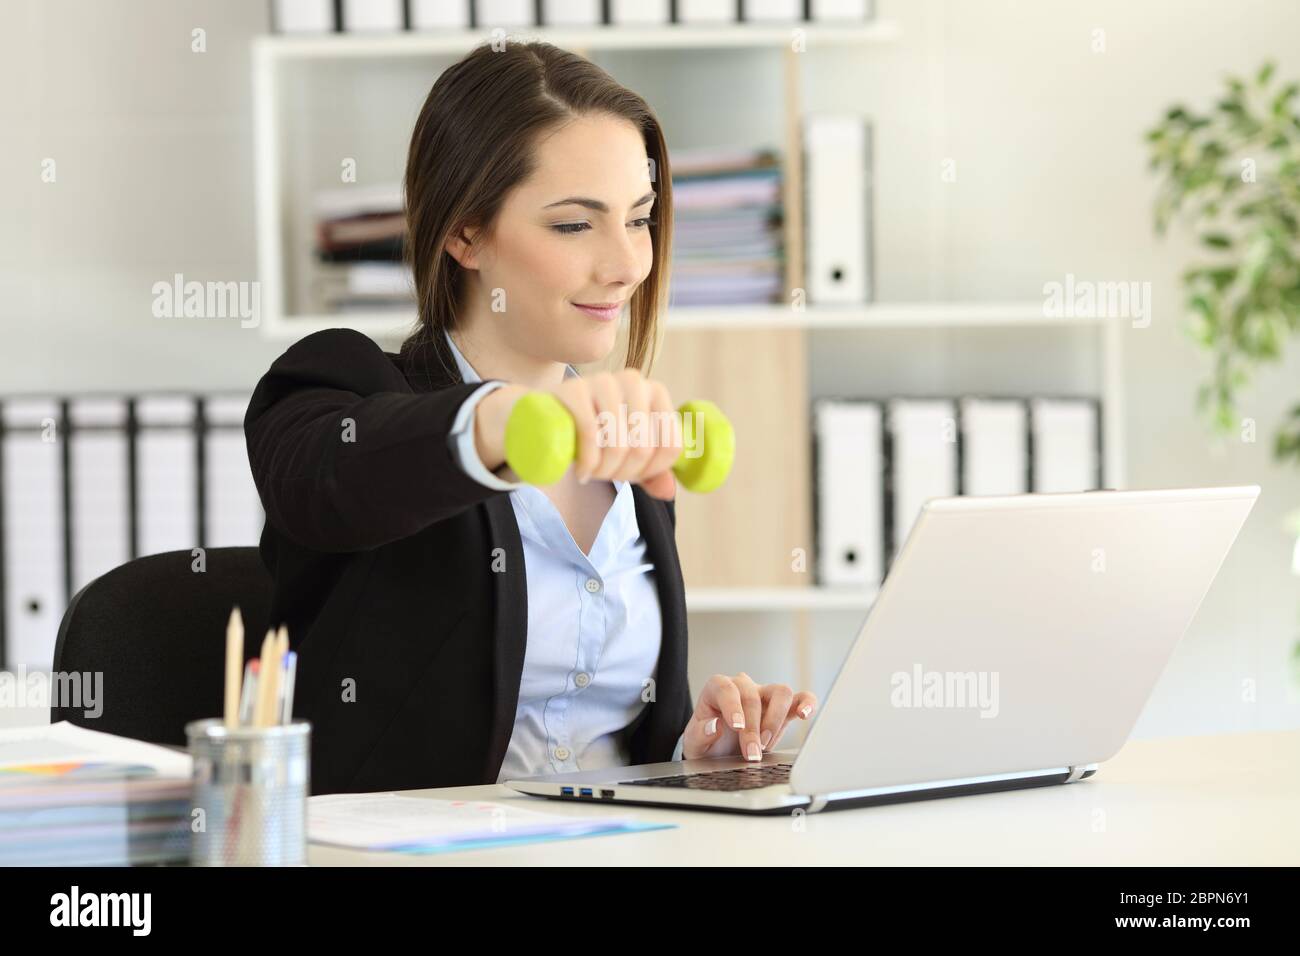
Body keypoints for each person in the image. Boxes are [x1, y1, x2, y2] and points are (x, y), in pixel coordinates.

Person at [245, 40, 816, 796]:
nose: (626, 264)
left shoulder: (628, 454)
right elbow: (324, 482)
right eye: (575, 226)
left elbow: (602, 736)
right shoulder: (343, 389)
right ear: (465, 233)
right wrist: (507, 427)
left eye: (639, 219)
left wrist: (691, 750)